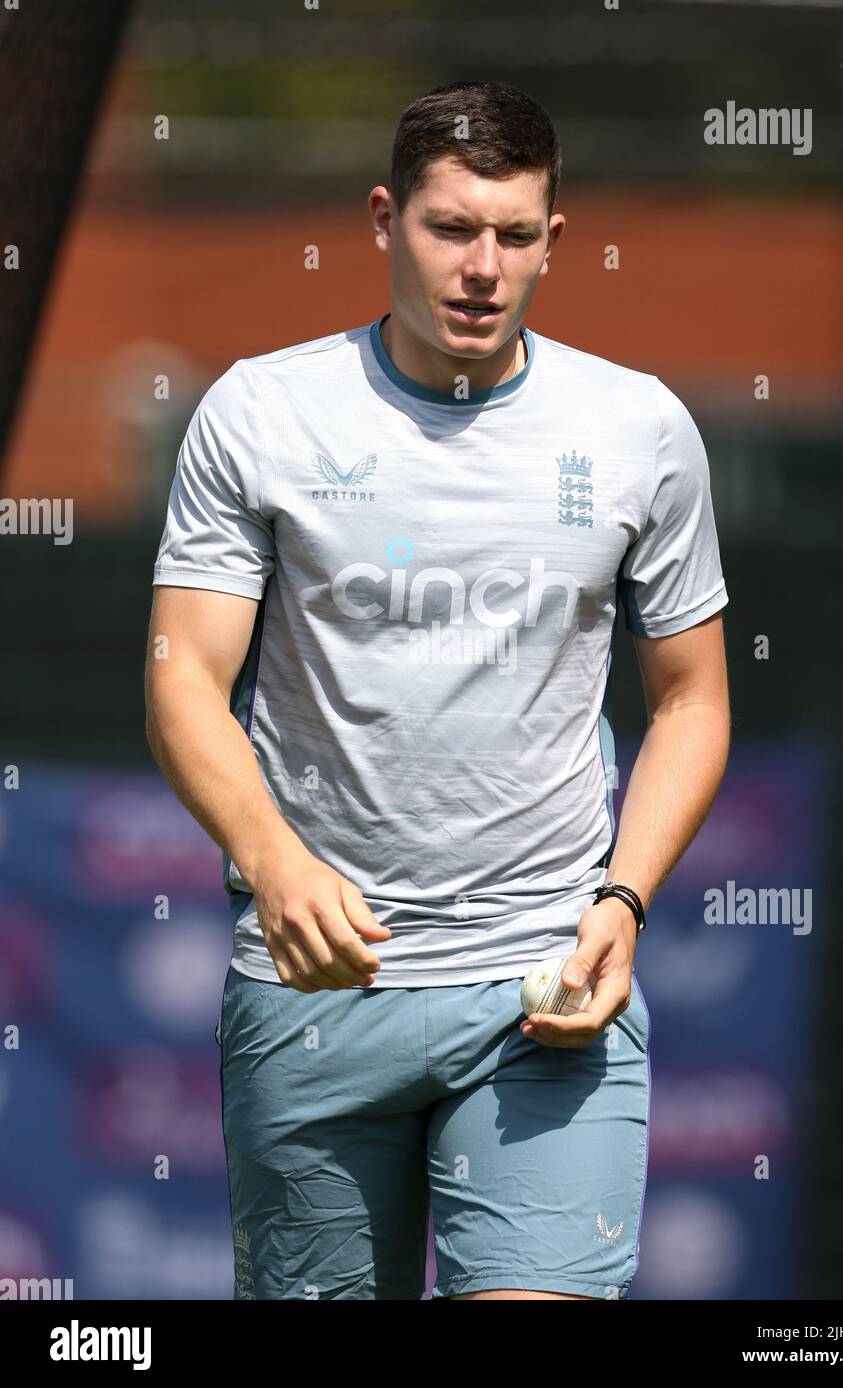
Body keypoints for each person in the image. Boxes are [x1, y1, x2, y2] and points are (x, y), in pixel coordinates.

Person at [144, 79, 730, 1301]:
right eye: (451, 228)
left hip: (547, 991)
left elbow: (691, 700)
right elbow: (185, 678)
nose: (483, 266)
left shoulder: (640, 427)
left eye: (516, 236)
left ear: (555, 241)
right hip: (316, 987)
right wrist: (276, 856)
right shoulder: (261, 411)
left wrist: (623, 899)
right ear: (382, 219)